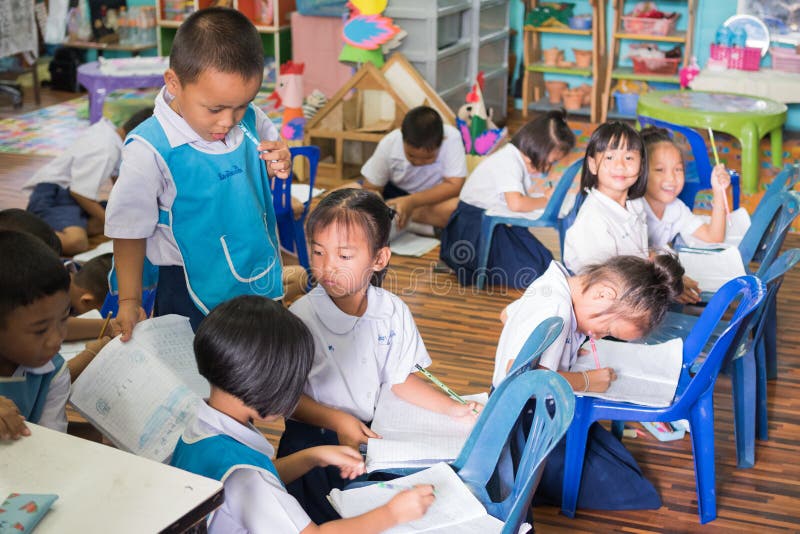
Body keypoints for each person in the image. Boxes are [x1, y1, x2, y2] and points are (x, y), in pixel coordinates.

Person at [281, 189, 481, 523]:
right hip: (313, 446)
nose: (327, 266)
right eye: (318, 252)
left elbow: (400, 378)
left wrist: (453, 408)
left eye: (344, 256)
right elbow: (285, 398)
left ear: (379, 259)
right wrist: (339, 421)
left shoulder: (391, 310)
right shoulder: (301, 318)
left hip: (373, 435)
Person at [170, 295, 435, 533]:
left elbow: (260, 475)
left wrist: (312, 457)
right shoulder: (248, 479)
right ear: (268, 386)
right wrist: (392, 513)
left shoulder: (199, 430)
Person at [105, 7, 292, 337]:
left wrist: (281, 159)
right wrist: (129, 300)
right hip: (188, 290)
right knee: (200, 375)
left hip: (256, 270)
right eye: (215, 108)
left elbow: (274, 150)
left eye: (242, 104)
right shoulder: (149, 149)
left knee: (260, 360)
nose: (229, 120)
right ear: (174, 83)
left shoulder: (249, 119)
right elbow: (128, 229)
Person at [492, 254, 685, 511]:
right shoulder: (554, 307)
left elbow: (508, 314)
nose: (597, 336)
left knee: (625, 468)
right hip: (522, 423)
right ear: (603, 294)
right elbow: (522, 377)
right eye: (606, 331)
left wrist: (565, 347)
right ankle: (511, 482)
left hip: (544, 413)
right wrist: (585, 380)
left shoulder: (557, 285)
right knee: (635, 492)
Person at [440, 110, 575, 288]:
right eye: (548, 162)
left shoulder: (515, 158)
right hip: (473, 230)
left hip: (494, 225)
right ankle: (466, 263)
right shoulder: (508, 161)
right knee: (532, 274)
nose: (548, 168)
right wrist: (547, 201)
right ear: (536, 148)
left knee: (547, 264)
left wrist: (542, 198)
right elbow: (516, 203)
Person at [0, 231, 108, 440]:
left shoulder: (54, 373)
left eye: (64, 318)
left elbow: (48, 444)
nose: (56, 339)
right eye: (40, 330)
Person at [24, 108, 153, 256]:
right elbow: (79, 193)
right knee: (77, 242)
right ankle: (23, 233)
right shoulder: (105, 149)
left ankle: (64, 226)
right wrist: (111, 222)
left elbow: (120, 181)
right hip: (55, 195)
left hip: (71, 197)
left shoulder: (112, 135)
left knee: (127, 215)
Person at [361, 106, 467, 230]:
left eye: (428, 158)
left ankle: (402, 215)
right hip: (392, 193)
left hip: (432, 198)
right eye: (411, 155)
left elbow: (454, 185)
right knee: (346, 194)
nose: (418, 162)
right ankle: (403, 217)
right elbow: (371, 188)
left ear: (442, 140)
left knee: (458, 209)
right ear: (402, 138)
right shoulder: (389, 143)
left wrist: (411, 202)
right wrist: (377, 205)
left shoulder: (452, 138)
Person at [562, 121, 649, 275]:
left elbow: (642, 255)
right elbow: (607, 278)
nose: (620, 165)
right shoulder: (593, 219)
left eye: (629, 158)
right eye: (609, 157)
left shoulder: (636, 204)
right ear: (593, 164)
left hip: (634, 283)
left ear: (641, 166)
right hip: (607, 292)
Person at [641, 126, 732, 249]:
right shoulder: (635, 209)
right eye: (660, 170)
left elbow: (714, 237)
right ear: (640, 172)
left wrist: (718, 191)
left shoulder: (676, 209)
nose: (672, 178)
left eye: (678, 169)